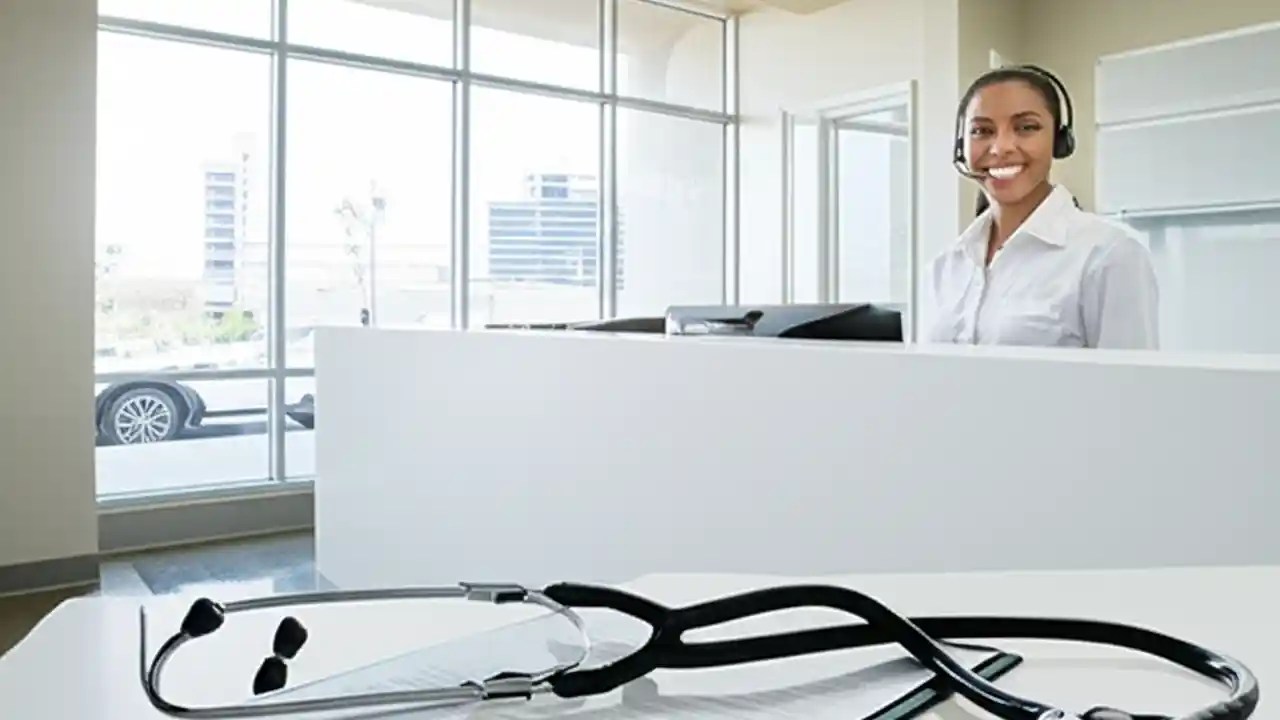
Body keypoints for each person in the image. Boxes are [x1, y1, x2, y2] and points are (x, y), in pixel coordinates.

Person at [925, 64, 1160, 349]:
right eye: (981, 131)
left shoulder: (1110, 254)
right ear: (961, 146)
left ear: (1059, 142)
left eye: (1026, 128)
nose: (1000, 147)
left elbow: (1131, 387)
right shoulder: (945, 266)